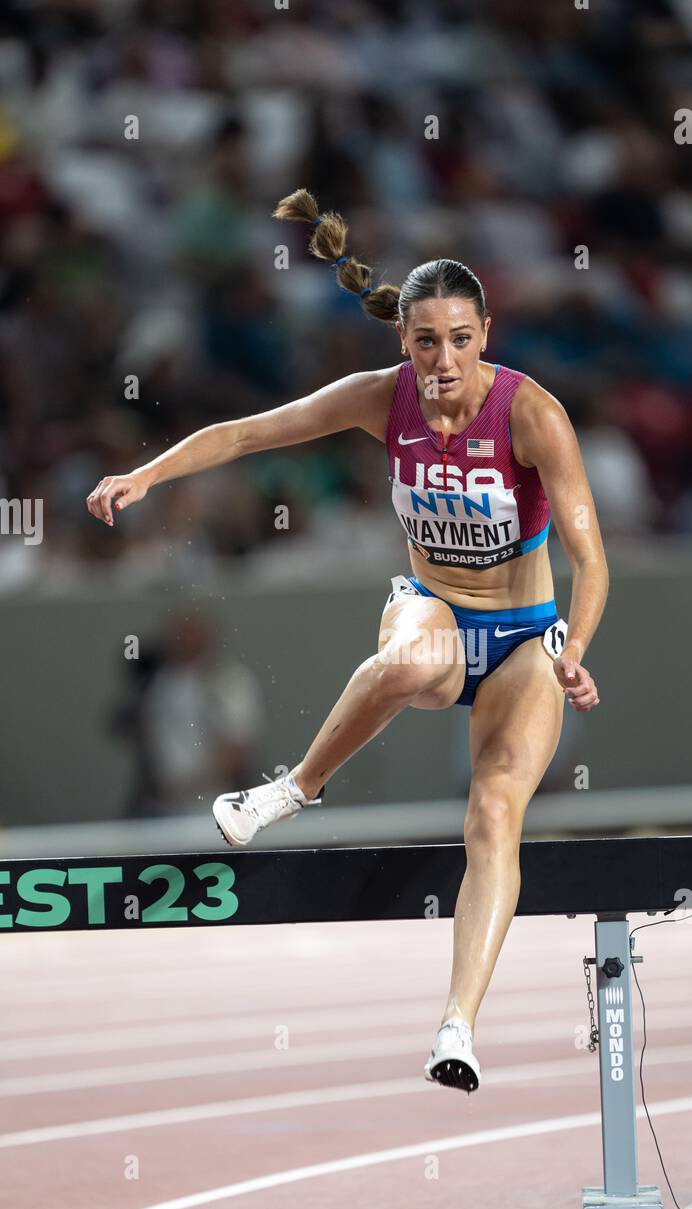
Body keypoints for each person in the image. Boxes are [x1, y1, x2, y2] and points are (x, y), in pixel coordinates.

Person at [86, 188, 608, 1094]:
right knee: (407, 658)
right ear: (402, 343)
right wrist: (147, 473)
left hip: (527, 633)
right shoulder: (381, 401)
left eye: (458, 340)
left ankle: (457, 1026)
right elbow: (249, 432)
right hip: (436, 611)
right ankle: (294, 789)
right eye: (423, 342)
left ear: (485, 335)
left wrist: (575, 647)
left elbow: (591, 558)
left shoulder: (532, 416)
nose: (442, 361)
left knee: (492, 816)